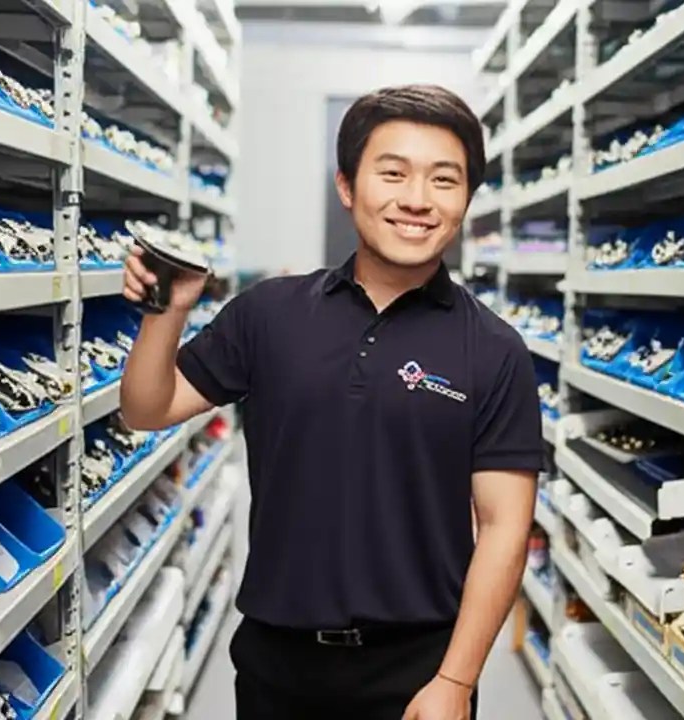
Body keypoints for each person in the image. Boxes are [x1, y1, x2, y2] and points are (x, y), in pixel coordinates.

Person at [118, 84, 544, 720]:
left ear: (467, 199)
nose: (417, 199)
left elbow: (505, 526)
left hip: (421, 668)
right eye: (393, 173)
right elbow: (146, 410)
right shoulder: (269, 313)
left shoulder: (494, 349)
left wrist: (456, 680)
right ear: (347, 186)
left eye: (443, 179)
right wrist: (166, 314)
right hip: (277, 662)